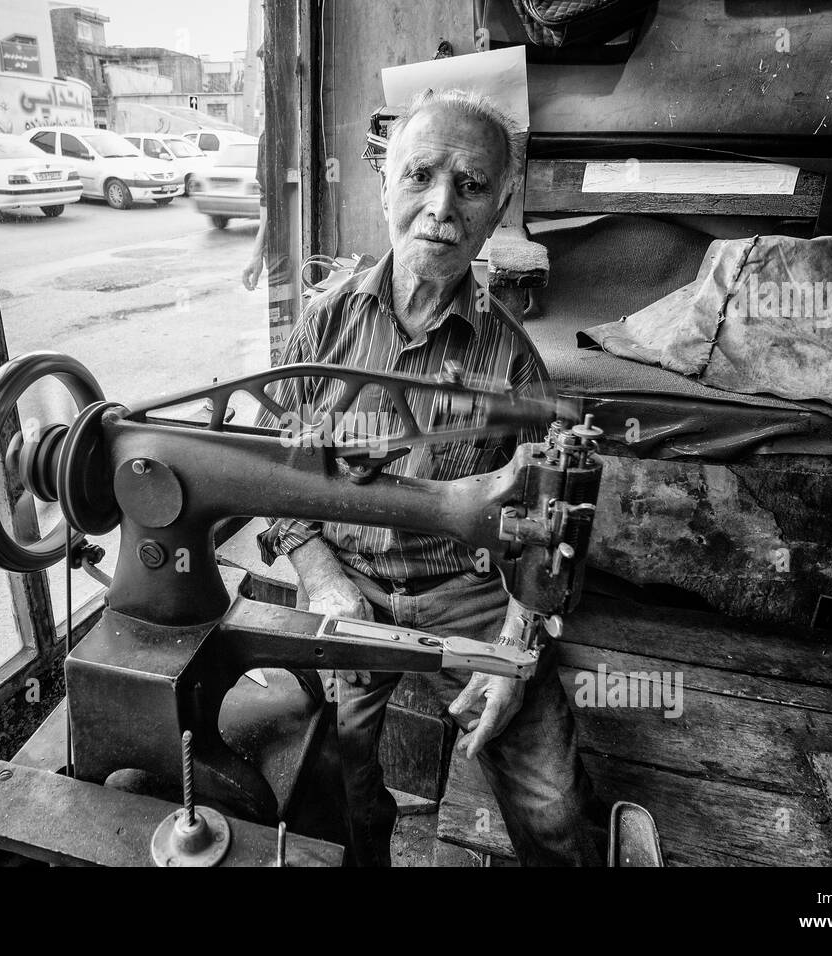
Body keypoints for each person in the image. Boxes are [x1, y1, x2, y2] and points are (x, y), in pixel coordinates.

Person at [256, 88, 601, 866]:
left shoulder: (512, 363)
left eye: (472, 186)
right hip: (350, 579)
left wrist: (517, 643)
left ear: (499, 207)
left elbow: (549, 529)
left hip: (468, 592)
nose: (441, 207)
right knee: (337, 789)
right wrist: (319, 576)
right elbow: (272, 461)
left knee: (554, 805)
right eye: (420, 176)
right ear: (384, 184)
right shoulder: (323, 327)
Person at [242, 126, 267, 290]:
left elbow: (267, 196)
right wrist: (257, 253)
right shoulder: (268, 136)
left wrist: (257, 253)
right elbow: (267, 197)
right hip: (281, 249)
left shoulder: (270, 136)